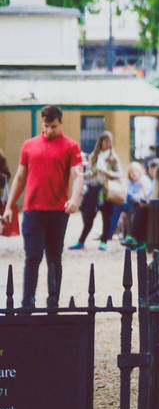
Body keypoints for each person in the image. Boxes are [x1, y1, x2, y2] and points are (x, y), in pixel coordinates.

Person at [1, 105, 84, 309]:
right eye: (46, 126)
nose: (48, 131)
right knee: (33, 255)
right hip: (33, 210)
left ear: (60, 123)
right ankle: (27, 302)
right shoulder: (29, 145)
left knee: (54, 257)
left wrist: (74, 199)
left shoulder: (71, 146)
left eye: (53, 127)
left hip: (58, 211)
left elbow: (78, 174)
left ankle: (52, 302)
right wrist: (9, 206)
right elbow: (20, 177)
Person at [74, 133, 124, 251]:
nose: (107, 144)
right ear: (100, 142)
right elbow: (90, 172)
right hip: (94, 189)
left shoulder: (113, 158)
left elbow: (119, 174)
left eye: (109, 142)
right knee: (88, 215)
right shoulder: (94, 156)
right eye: (105, 141)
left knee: (106, 216)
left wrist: (108, 173)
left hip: (107, 190)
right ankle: (81, 241)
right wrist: (83, 173)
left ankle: (103, 242)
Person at [120, 161, 154, 249]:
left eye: (136, 171)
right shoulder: (130, 182)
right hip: (135, 204)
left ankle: (133, 237)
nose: (134, 174)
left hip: (144, 205)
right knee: (119, 206)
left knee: (139, 210)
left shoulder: (144, 180)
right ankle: (130, 237)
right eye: (132, 172)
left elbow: (147, 195)